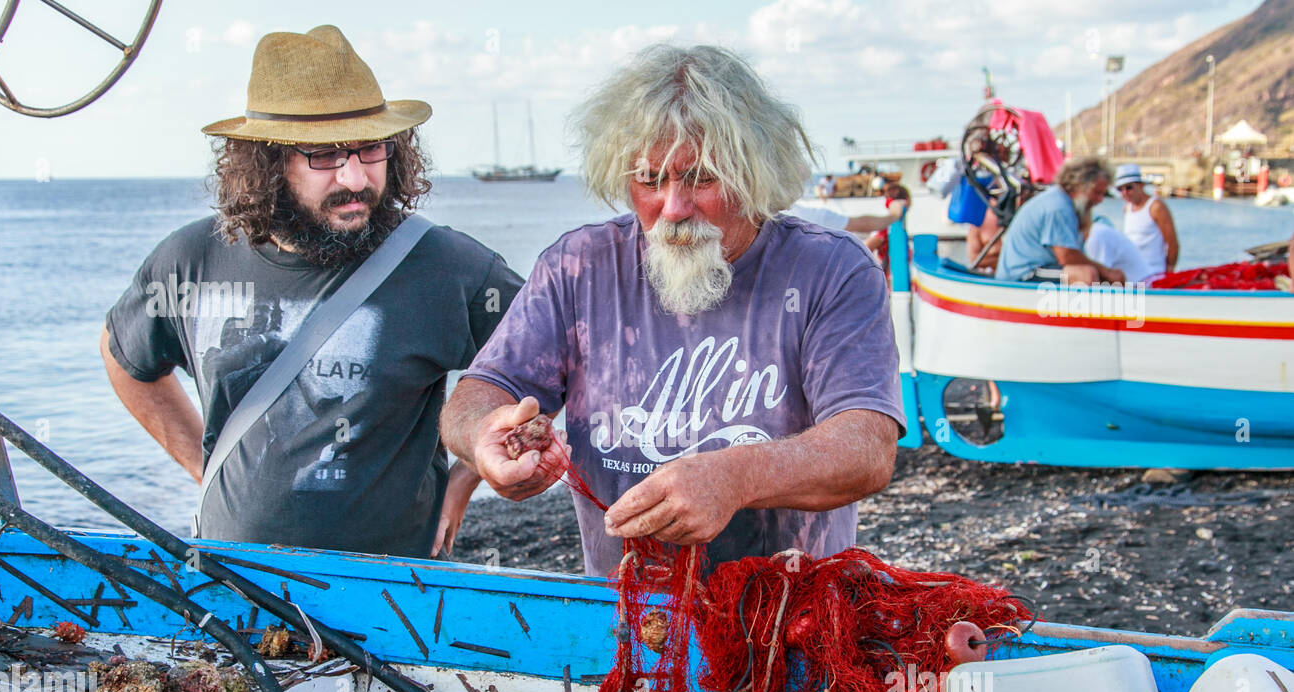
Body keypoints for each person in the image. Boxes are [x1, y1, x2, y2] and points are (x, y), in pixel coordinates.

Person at [440, 45, 905, 577]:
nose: (674, 208)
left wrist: (735, 478)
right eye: (648, 179)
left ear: (756, 172)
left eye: (703, 177)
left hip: (791, 620)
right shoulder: (578, 267)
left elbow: (866, 446)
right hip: (627, 618)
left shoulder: (831, 269)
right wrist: (485, 438)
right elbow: (480, 391)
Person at [102, 25, 521, 559]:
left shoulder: (448, 267)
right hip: (228, 582)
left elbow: (547, 362)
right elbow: (125, 359)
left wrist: (466, 478)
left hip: (398, 591)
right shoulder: (191, 260)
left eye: (371, 148)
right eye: (324, 155)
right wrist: (202, 468)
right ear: (268, 163)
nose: (354, 177)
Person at [996, 157, 1125, 285]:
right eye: (1097, 193)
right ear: (1080, 185)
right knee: (1086, 274)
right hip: (1023, 274)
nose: (1100, 200)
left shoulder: (1065, 203)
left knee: (1098, 275)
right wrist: (1106, 271)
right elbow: (1066, 256)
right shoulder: (1058, 207)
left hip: (1040, 268)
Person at [1115, 164, 1177, 275]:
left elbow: (1172, 243)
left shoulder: (1156, 207)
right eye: (1120, 189)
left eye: (1129, 187)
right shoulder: (1127, 207)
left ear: (1141, 185)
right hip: (1133, 271)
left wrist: (1169, 270)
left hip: (1153, 271)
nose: (1124, 193)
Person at [1084, 215, 1154, 284]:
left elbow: (1097, 277)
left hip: (1141, 286)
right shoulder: (1097, 231)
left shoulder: (1096, 235)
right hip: (1137, 283)